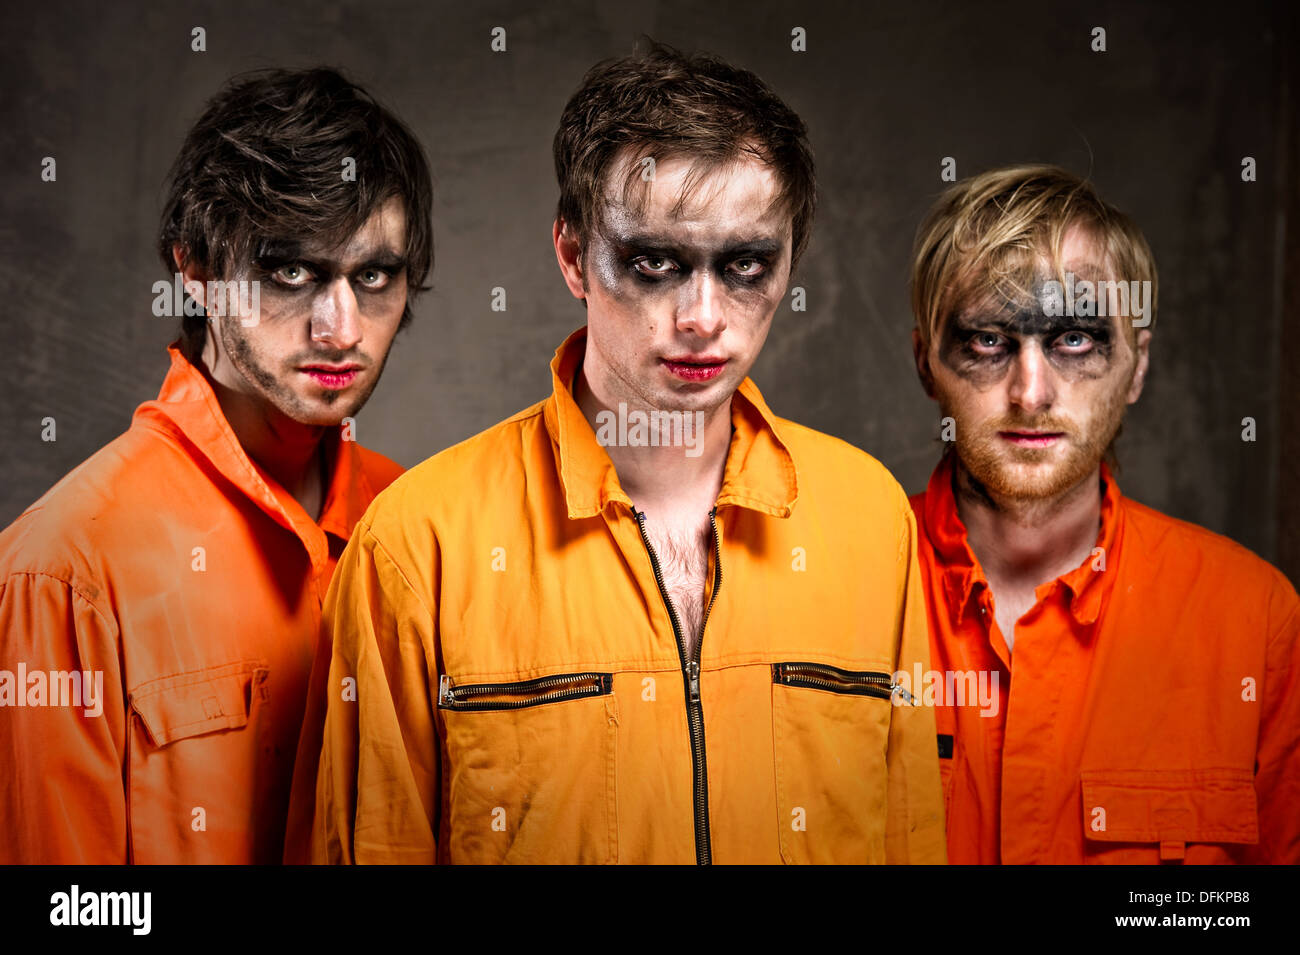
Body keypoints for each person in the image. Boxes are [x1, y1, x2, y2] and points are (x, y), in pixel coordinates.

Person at [304, 42, 945, 865]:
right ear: (574, 256)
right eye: (656, 263)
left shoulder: (871, 522)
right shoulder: (416, 549)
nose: (703, 315)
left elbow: (911, 840)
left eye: (745, 264)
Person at [0, 67, 432, 863]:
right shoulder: (63, 570)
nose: (341, 327)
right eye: (291, 271)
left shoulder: (421, 523)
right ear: (195, 270)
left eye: (371, 276)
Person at [907, 164, 1299, 863]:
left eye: (1076, 340)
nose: (1031, 392)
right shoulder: (839, 584)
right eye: (989, 341)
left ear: (1137, 367)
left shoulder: (1255, 619)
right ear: (925, 362)